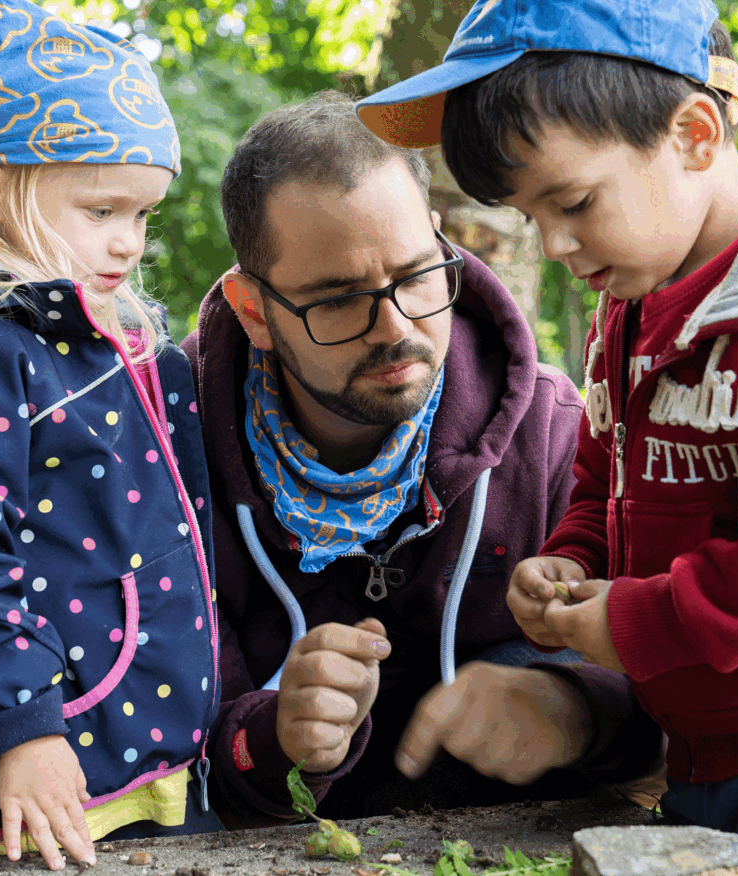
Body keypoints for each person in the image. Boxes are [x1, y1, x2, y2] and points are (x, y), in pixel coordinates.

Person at [356, 0, 738, 872]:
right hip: (701, 750)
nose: (556, 242)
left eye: (574, 201)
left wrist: (644, 620)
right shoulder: (631, 309)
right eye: (530, 216)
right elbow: (607, 478)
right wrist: (573, 560)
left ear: (695, 135)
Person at [0, 3, 382, 872]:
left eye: (144, 216)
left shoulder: (89, 338)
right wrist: (26, 730)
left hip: (138, 765)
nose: (128, 244)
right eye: (102, 210)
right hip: (42, 780)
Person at [179, 90, 665, 819]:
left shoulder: (557, 431)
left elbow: (682, 691)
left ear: (441, 244)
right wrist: (274, 734)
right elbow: (164, 752)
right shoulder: (169, 446)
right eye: (338, 299)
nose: (395, 326)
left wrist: (576, 710)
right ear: (256, 312)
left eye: (414, 274)